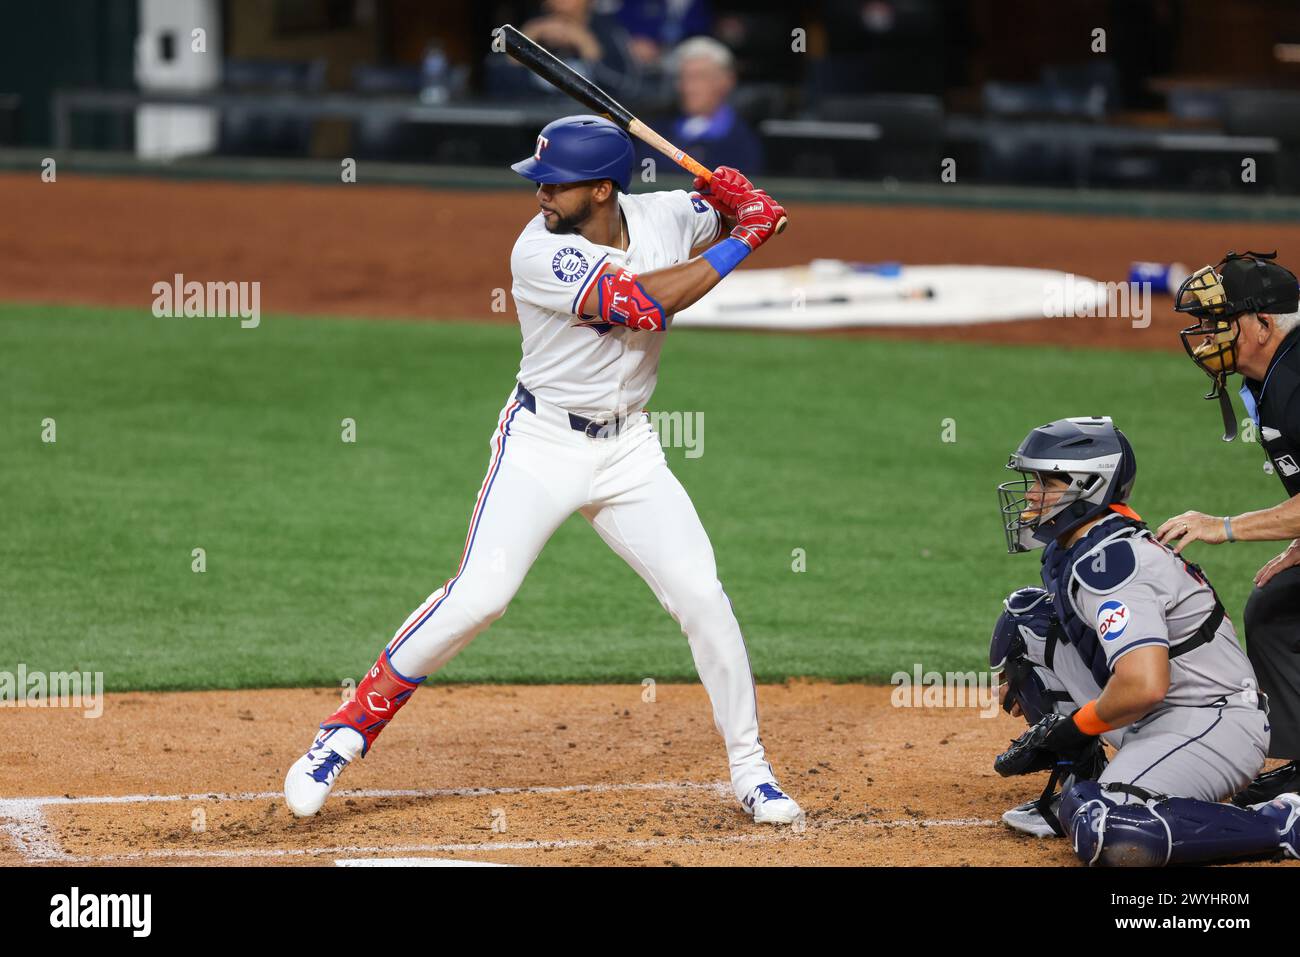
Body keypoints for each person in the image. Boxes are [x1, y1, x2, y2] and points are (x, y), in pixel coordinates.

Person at [283, 115, 803, 825]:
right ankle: (343, 732)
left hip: (630, 450)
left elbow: (716, 211)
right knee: (481, 596)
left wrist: (735, 199)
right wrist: (748, 233)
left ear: (600, 190)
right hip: (542, 444)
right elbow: (642, 307)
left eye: (553, 186)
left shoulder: (661, 217)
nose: (539, 197)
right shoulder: (540, 253)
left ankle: (751, 768)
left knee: (702, 595)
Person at [991, 416, 1298, 866]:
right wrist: (1040, 693)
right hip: (1157, 713)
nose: (1031, 495)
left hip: (1211, 721)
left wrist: (1070, 728)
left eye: (1045, 482)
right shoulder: (1081, 546)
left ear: (1087, 486)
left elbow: (1143, 685)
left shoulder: (1113, 565)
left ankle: (1279, 822)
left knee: (1109, 831)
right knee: (1027, 623)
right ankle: (1081, 781)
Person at [1153, 250, 1300, 805]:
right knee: (1277, 606)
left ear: (1263, 323)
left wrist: (1225, 526)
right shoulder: (1276, 376)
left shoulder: (1296, 380)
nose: (1205, 335)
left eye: (1220, 321)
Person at [650, 36, 763, 176]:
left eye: (699, 77)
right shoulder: (656, 133)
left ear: (726, 81)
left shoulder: (743, 143)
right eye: (683, 77)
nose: (688, 87)